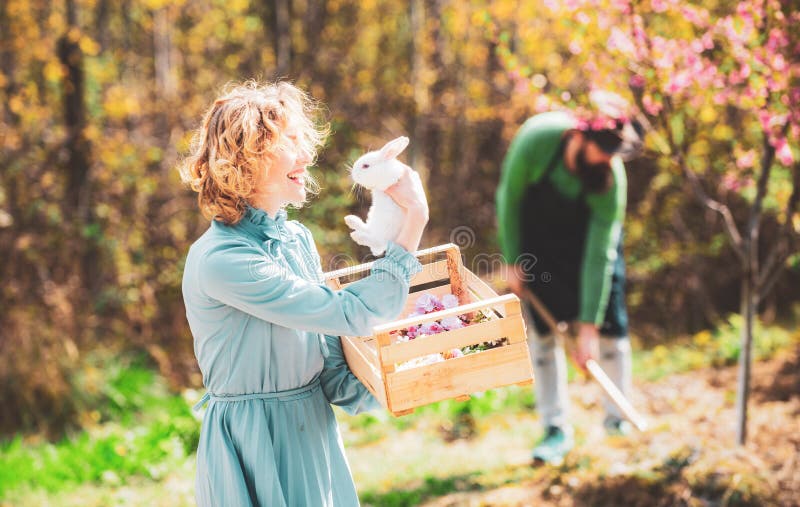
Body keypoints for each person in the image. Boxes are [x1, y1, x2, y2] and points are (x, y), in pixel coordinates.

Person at [179, 80, 429, 506]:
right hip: (255, 443)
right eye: (290, 142)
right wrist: (415, 219)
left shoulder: (295, 238)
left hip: (312, 435)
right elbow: (349, 313)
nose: (308, 156)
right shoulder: (222, 260)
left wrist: (409, 383)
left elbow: (330, 368)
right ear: (248, 159)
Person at [496, 98, 643, 465]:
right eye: (602, 150)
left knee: (611, 327)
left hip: (590, 246)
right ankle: (555, 428)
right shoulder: (537, 140)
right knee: (544, 334)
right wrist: (513, 259)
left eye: (614, 152)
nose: (607, 159)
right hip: (540, 242)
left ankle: (617, 422)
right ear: (579, 134)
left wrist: (589, 327)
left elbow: (600, 254)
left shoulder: (610, 178)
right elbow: (509, 199)